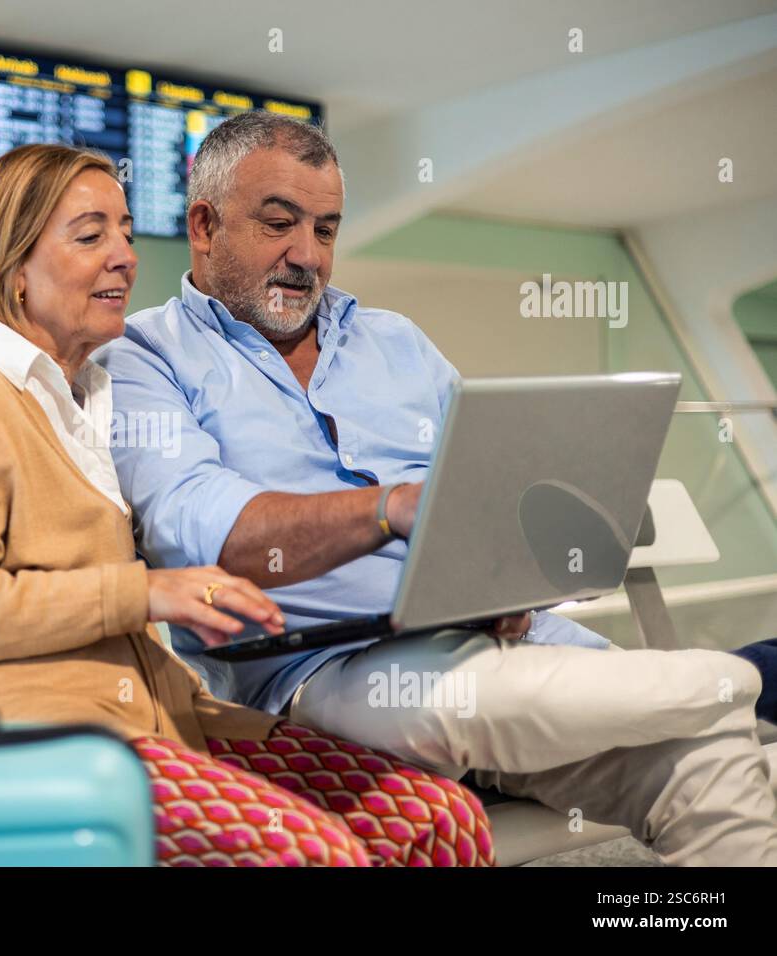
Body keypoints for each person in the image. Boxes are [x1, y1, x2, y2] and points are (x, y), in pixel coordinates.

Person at [96, 110, 777, 866]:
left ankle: (713, 692)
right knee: (704, 700)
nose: (306, 256)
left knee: (704, 757)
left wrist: (513, 577)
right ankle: (744, 672)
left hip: (495, 644)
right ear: (203, 224)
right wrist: (388, 508)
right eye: (280, 223)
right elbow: (204, 531)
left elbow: (492, 488)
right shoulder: (143, 356)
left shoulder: (395, 341)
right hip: (323, 672)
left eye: (325, 230)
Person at [0, 142, 494, 867]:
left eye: (127, 232)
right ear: (15, 270)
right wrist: (145, 591)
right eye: (90, 235)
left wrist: (262, 733)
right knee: (314, 853)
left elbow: (134, 652)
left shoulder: (93, 406)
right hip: (29, 745)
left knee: (437, 816)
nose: (125, 257)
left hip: (155, 724)